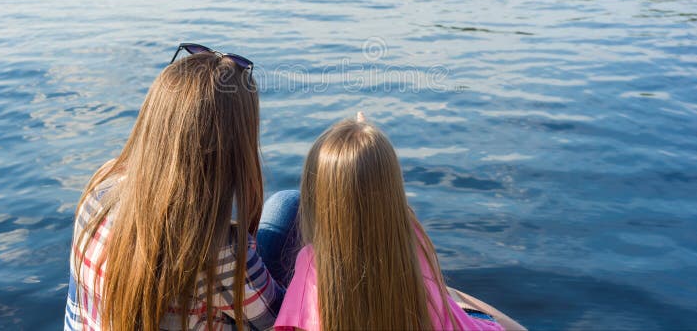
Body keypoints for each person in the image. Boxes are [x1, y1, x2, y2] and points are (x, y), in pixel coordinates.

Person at [64, 44, 293, 331]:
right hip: (225, 274)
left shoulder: (102, 185)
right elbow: (281, 319)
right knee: (289, 207)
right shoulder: (217, 247)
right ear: (232, 150)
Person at [275, 114, 526, 331]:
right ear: (393, 193)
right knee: (450, 294)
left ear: (314, 198)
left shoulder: (312, 262)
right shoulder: (411, 238)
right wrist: (370, 148)